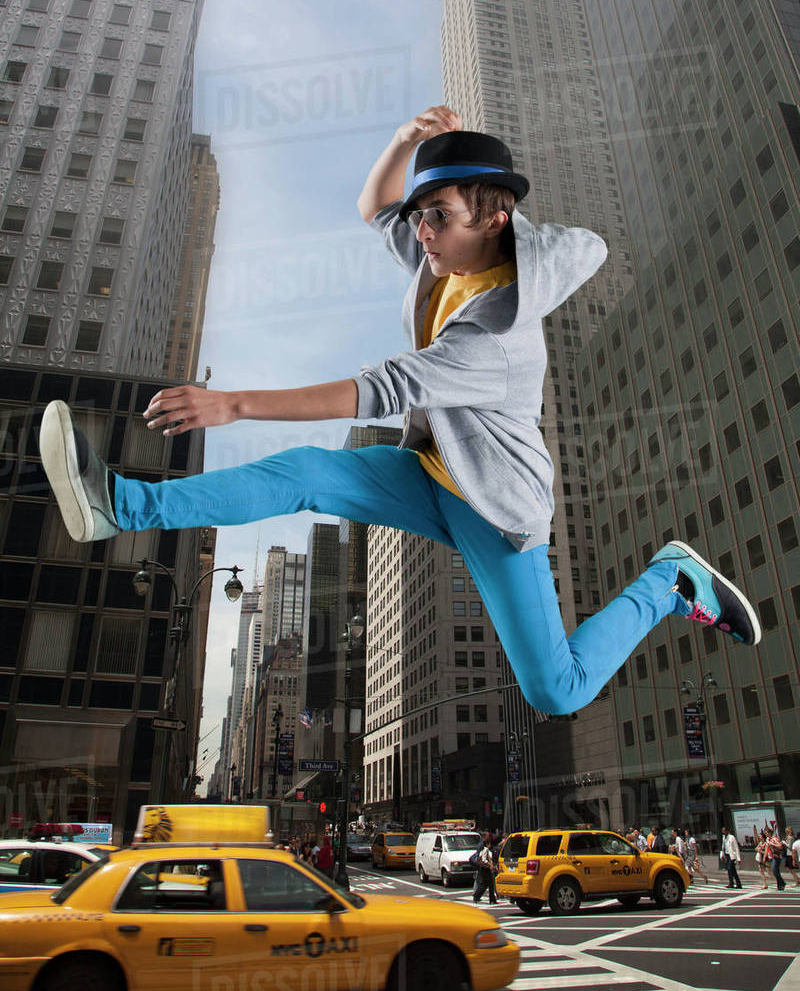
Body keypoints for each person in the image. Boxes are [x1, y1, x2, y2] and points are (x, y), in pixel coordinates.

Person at [37, 107, 762, 717]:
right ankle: (119, 507)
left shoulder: (496, 334)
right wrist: (403, 142)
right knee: (308, 474)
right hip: (430, 471)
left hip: (494, 510)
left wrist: (232, 402)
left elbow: (377, 391)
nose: (422, 231)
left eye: (438, 217)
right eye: (421, 218)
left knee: (556, 691)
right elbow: (371, 207)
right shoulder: (440, 259)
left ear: (496, 216)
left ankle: (669, 582)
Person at [472, 834, 498, 905]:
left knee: (489, 884)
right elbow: (484, 860)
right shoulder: (485, 849)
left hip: (486, 869)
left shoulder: (486, 849)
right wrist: (490, 865)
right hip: (485, 869)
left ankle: (492, 900)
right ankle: (477, 896)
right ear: (488, 844)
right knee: (486, 884)